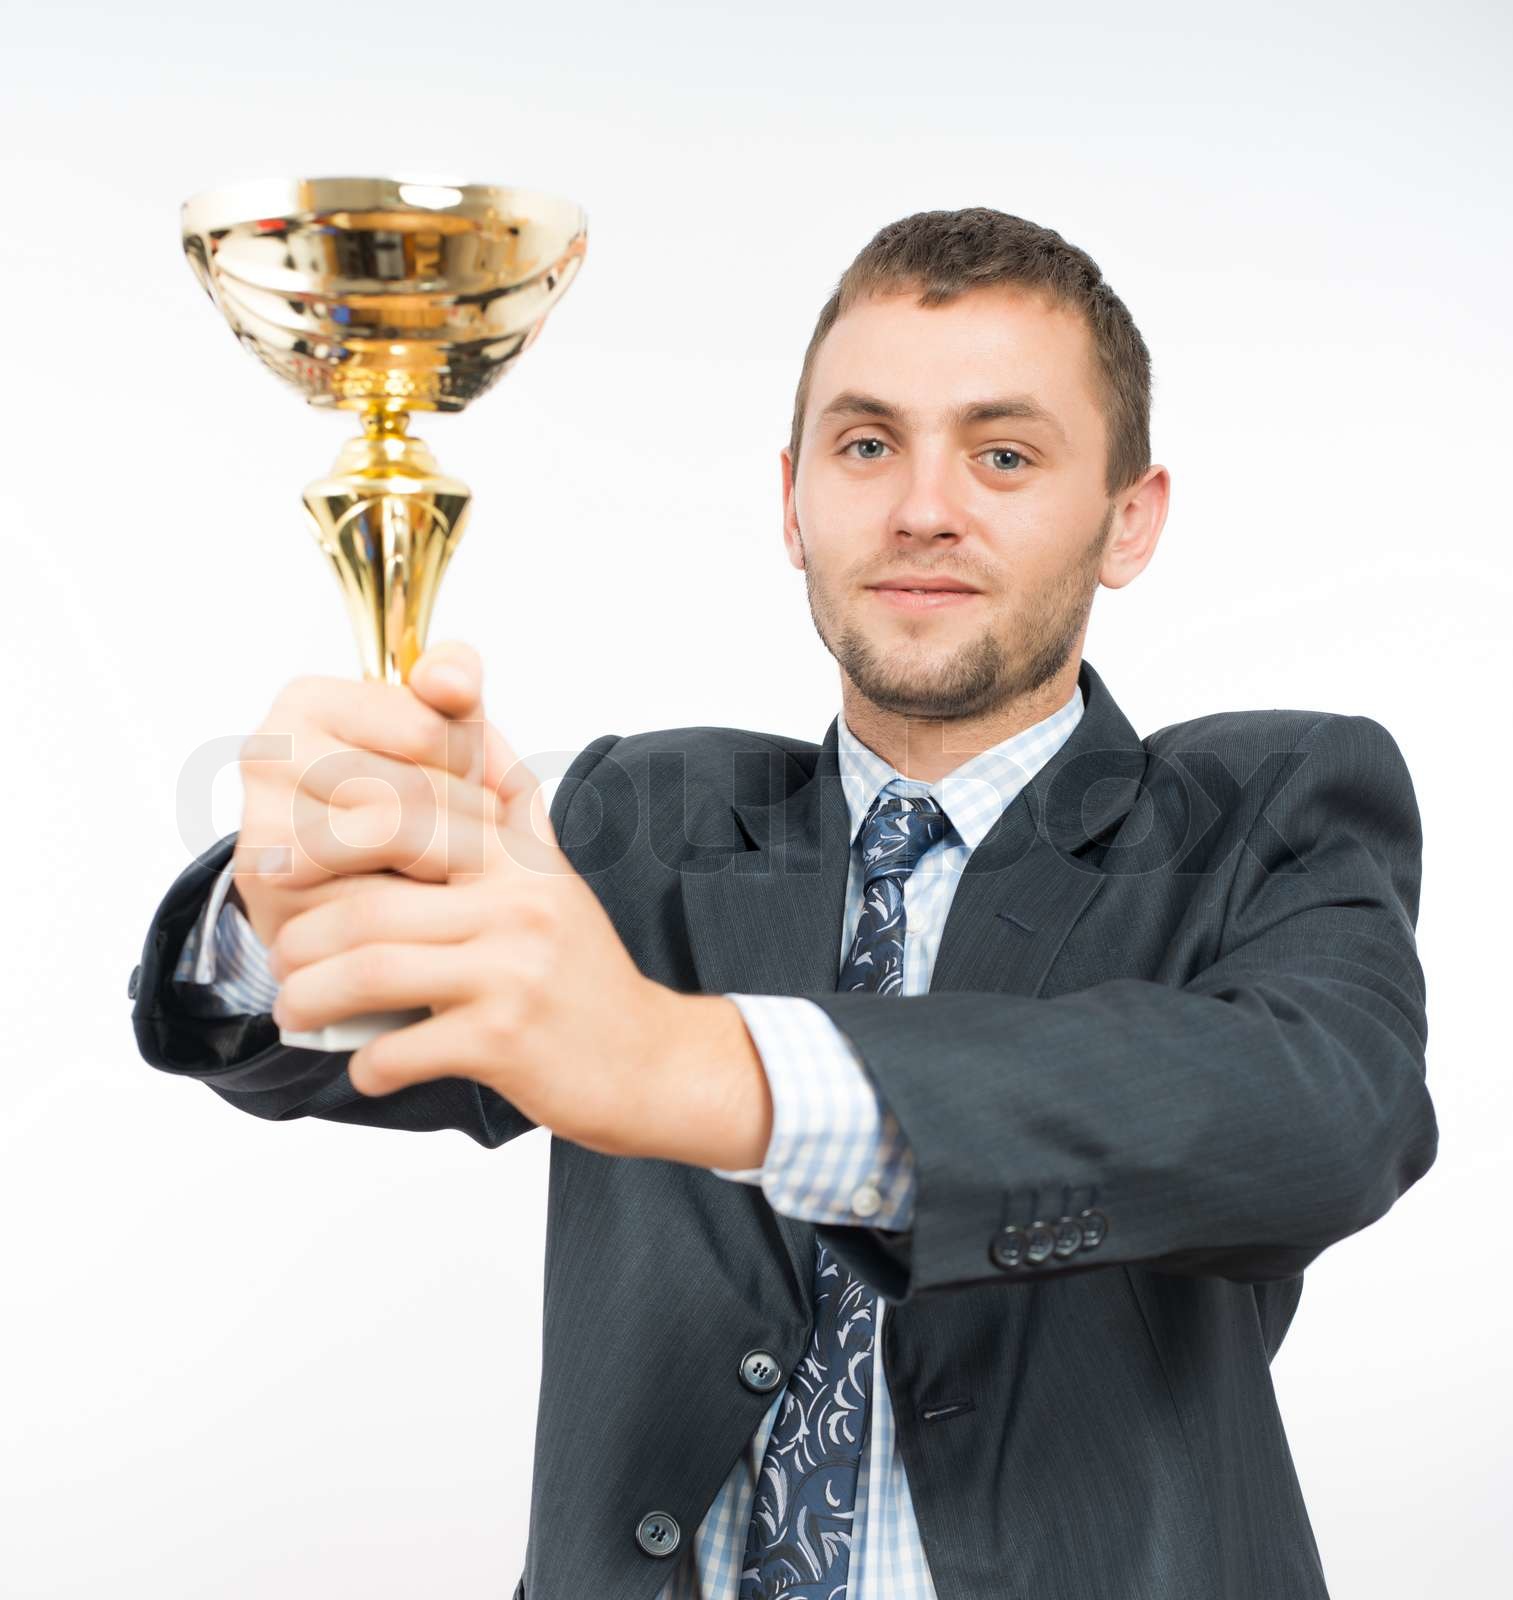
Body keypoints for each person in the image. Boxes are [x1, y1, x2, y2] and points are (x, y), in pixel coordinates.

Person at [129, 207, 1437, 1600]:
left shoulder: (1263, 808)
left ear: (1129, 520)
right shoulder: (646, 821)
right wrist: (290, 911)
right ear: (790, 500)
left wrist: (684, 1063)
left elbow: (1320, 1116)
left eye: (1002, 454)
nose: (921, 506)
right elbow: (321, 1047)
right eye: (865, 445)